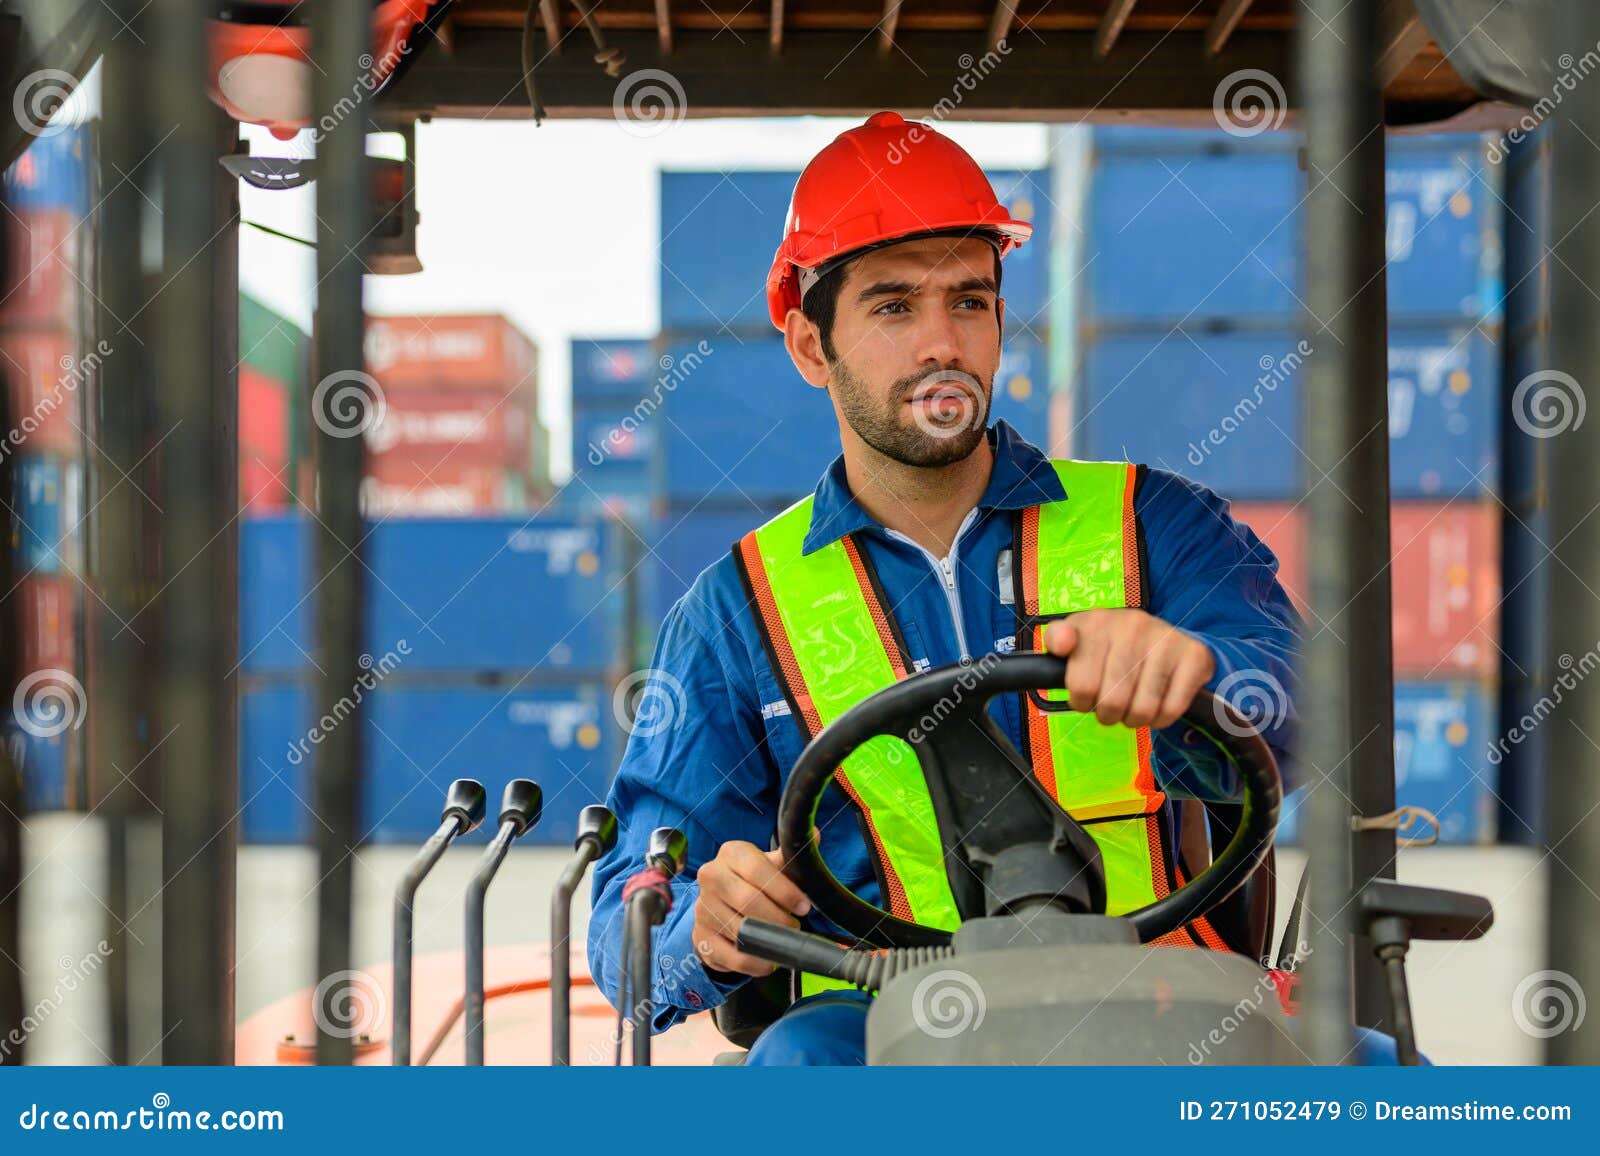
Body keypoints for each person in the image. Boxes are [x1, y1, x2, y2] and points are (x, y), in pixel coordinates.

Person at [588, 111, 1308, 1064]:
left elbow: (1308, 697)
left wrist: (1203, 674)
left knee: (1378, 1072)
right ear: (811, 346)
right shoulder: (733, 614)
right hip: (877, 1030)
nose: (941, 344)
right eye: (893, 307)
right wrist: (700, 924)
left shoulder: (1155, 524)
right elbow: (629, 922)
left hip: (1167, 1005)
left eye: (968, 301)